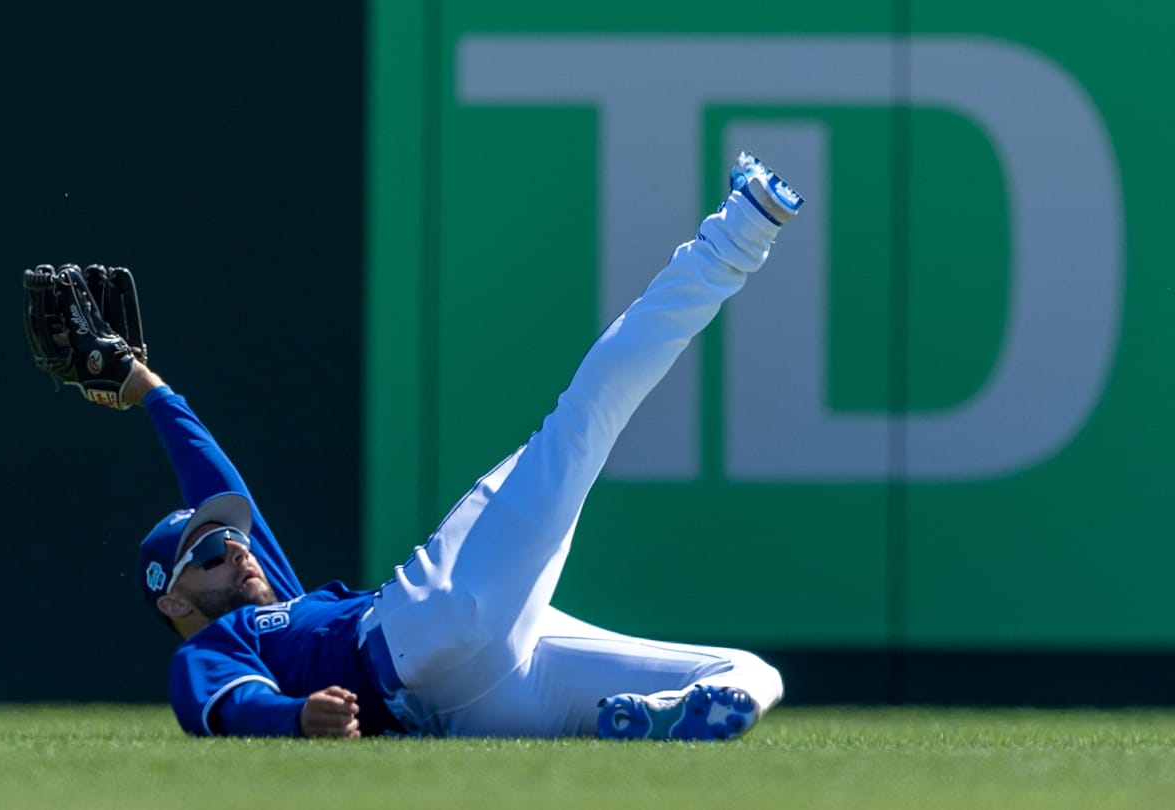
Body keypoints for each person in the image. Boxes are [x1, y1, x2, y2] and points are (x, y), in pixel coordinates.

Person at [117, 152, 801, 739]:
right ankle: (736, 237)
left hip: (486, 697)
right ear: (173, 603)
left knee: (746, 675)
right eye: (206, 554)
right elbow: (224, 705)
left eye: (230, 539)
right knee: (584, 419)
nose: (235, 549)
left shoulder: (283, 602)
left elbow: (216, 483)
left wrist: (149, 390)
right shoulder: (214, 647)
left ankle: (647, 719)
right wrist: (294, 718)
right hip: (423, 629)